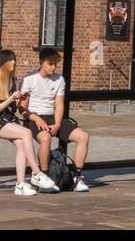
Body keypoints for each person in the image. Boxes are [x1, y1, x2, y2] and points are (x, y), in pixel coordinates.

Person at [0, 50, 57, 196]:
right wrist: (11, 98)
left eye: (14, 60)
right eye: (10, 60)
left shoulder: (13, 81)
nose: (14, 62)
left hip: (9, 120)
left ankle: (20, 184)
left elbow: (14, 108)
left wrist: (19, 99)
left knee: (22, 144)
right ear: (2, 63)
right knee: (27, 132)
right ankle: (36, 173)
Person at [21, 47, 91, 192]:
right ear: (41, 62)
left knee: (83, 136)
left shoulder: (59, 80)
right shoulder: (29, 79)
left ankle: (76, 178)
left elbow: (59, 105)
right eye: (50, 64)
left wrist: (58, 124)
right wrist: (37, 119)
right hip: (34, 118)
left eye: (55, 64)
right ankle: (46, 179)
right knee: (46, 139)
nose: (54, 67)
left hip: (53, 118)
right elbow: (22, 109)